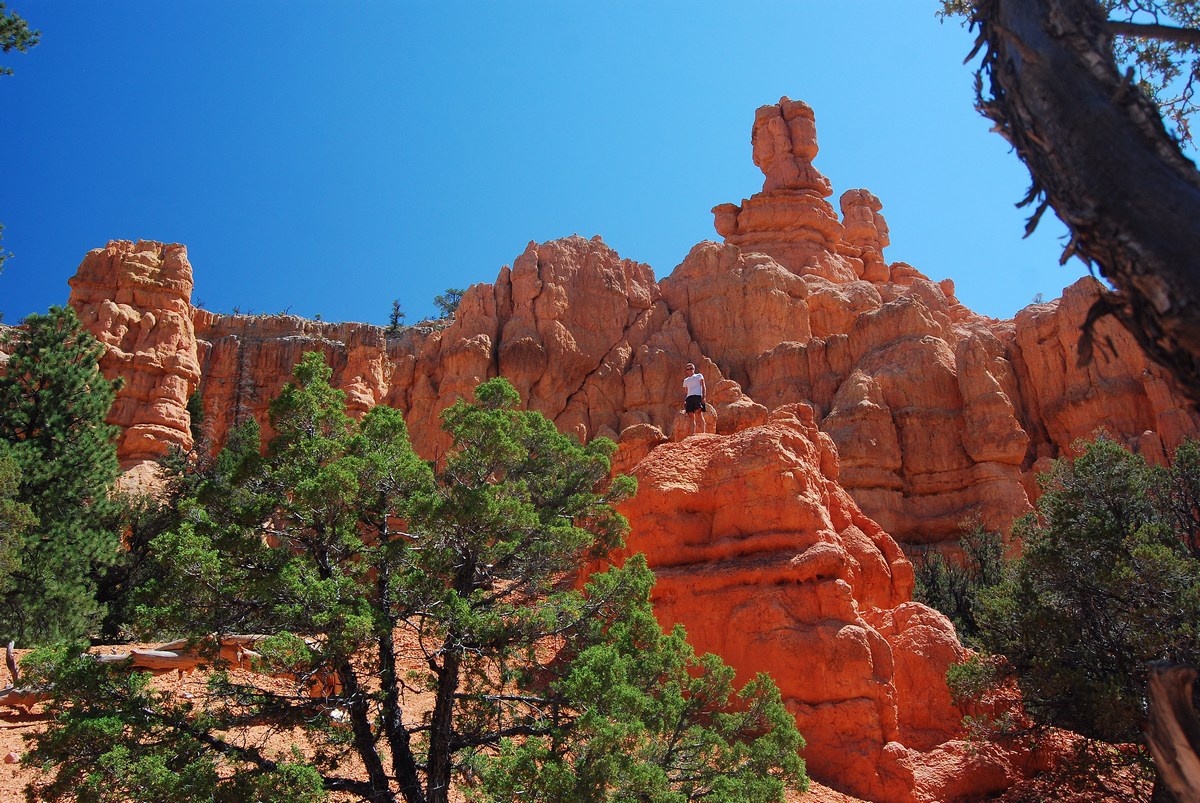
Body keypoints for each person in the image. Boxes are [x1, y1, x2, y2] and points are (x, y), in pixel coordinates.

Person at [682, 362, 707, 435]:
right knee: (691, 416)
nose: (690, 370)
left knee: (699, 414)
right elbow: (686, 392)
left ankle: (703, 433)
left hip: (697, 396)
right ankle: (692, 434)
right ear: (686, 370)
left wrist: (704, 396)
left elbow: (703, 386)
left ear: (694, 369)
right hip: (689, 398)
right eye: (688, 369)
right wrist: (685, 400)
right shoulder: (686, 380)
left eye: (691, 368)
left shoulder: (699, 376)